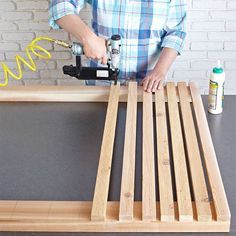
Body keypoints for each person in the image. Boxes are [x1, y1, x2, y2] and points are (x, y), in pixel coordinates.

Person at [49, 0, 187, 92]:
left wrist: (160, 71)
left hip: (147, 86)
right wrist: (88, 38)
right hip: (100, 86)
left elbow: (176, 32)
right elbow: (60, 5)